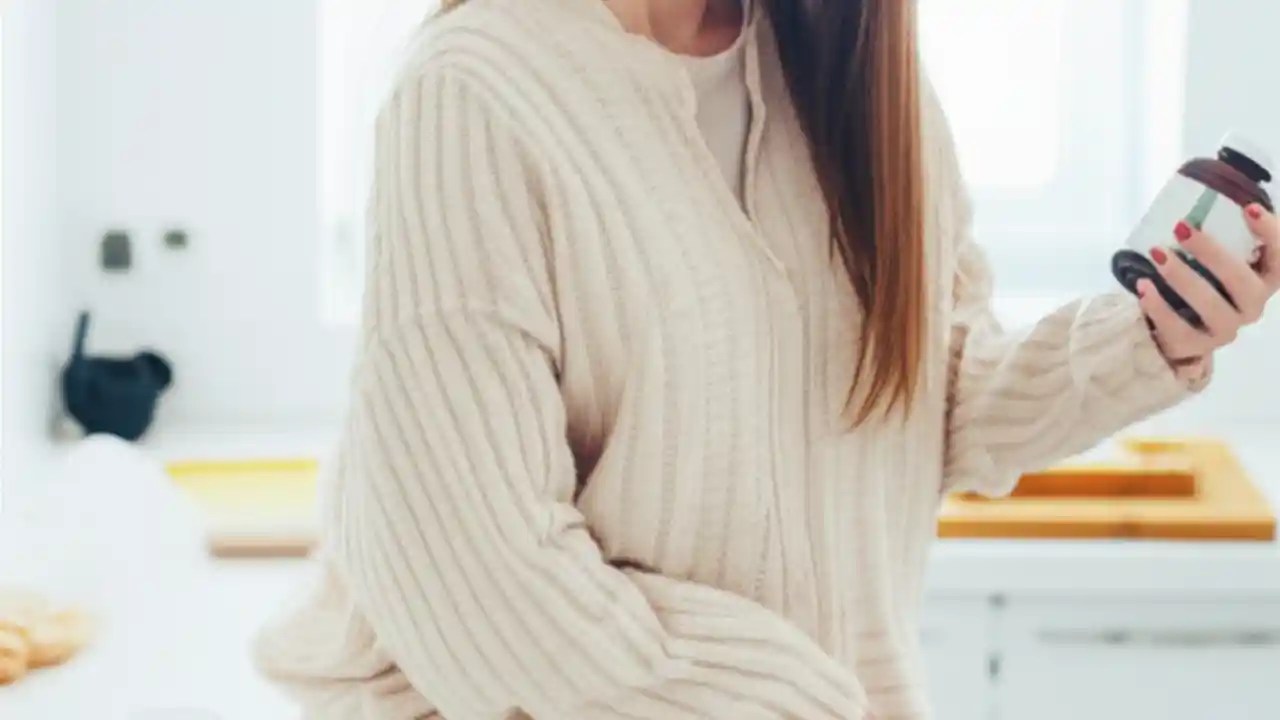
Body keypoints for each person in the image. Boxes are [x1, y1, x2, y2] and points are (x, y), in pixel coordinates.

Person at [254, 1, 1279, 718]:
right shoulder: (473, 93)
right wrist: (796, 698)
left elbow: (927, 397)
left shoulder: (847, 71)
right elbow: (478, 576)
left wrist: (1150, 332)